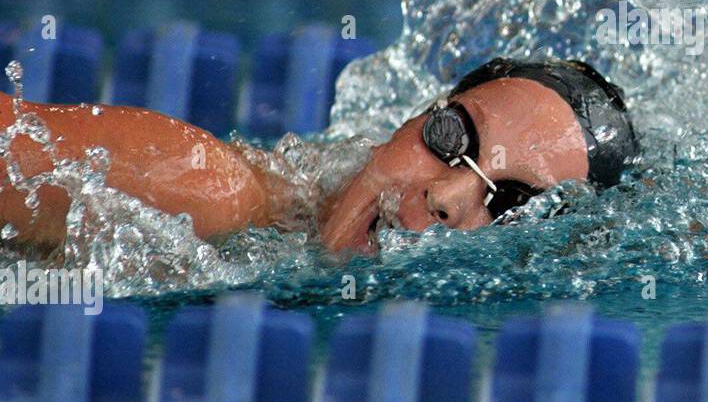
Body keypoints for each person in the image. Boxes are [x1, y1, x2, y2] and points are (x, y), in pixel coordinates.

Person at [0, 57, 639, 256]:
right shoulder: (211, 192)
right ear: (414, 116)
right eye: (451, 137)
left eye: (508, 202)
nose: (444, 197)